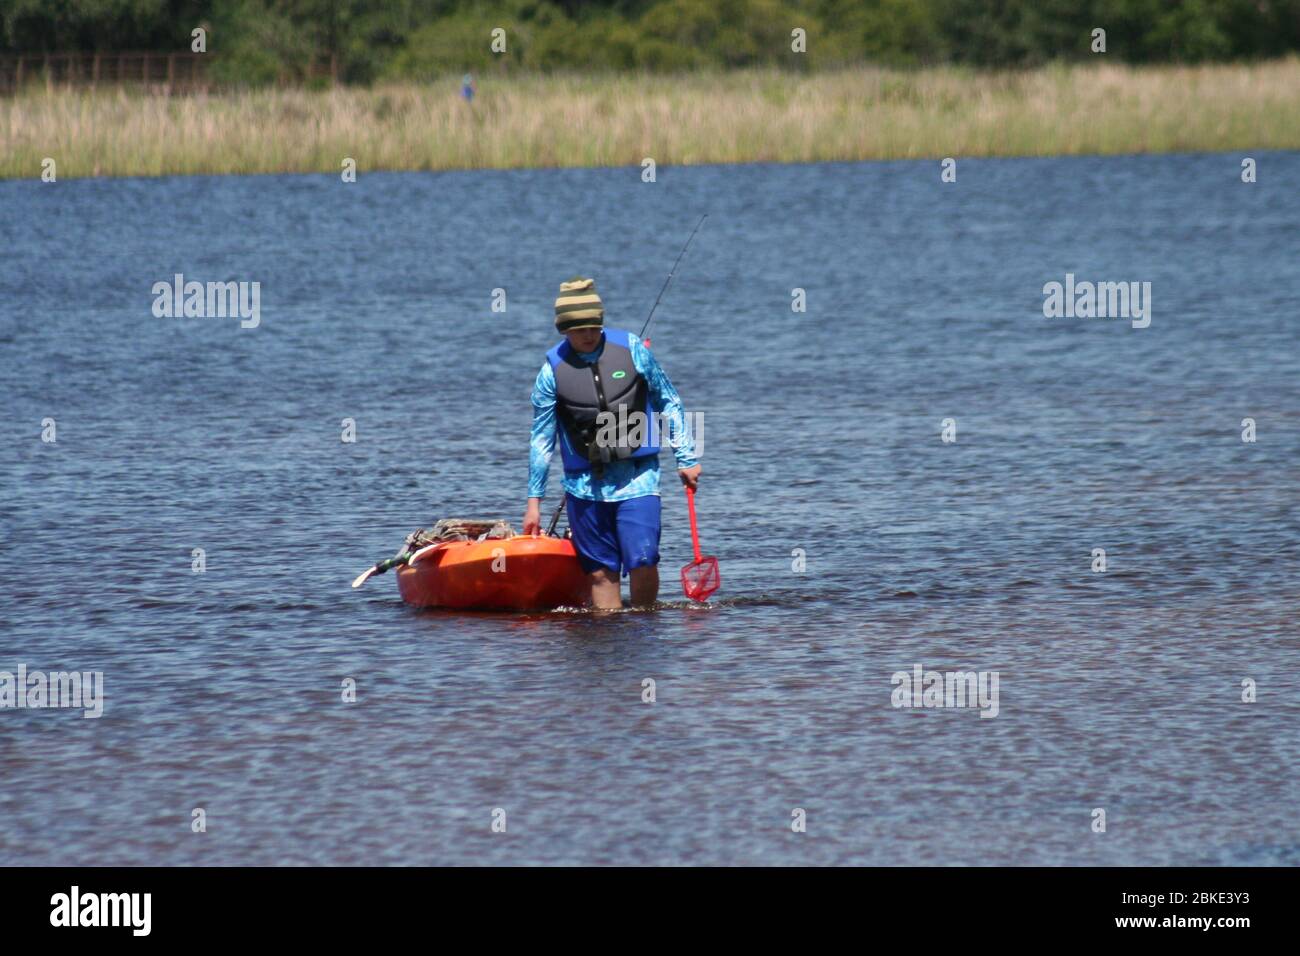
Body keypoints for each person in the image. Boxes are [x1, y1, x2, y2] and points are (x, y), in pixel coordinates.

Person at [524, 277, 700, 609]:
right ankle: (608, 646)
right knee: (601, 573)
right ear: (564, 330)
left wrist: (686, 458)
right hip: (584, 486)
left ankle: (645, 628)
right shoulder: (551, 373)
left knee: (643, 559)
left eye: (594, 327)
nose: (589, 335)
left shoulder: (631, 350)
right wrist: (534, 501)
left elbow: (669, 402)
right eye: (579, 330)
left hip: (639, 478)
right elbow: (541, 439)